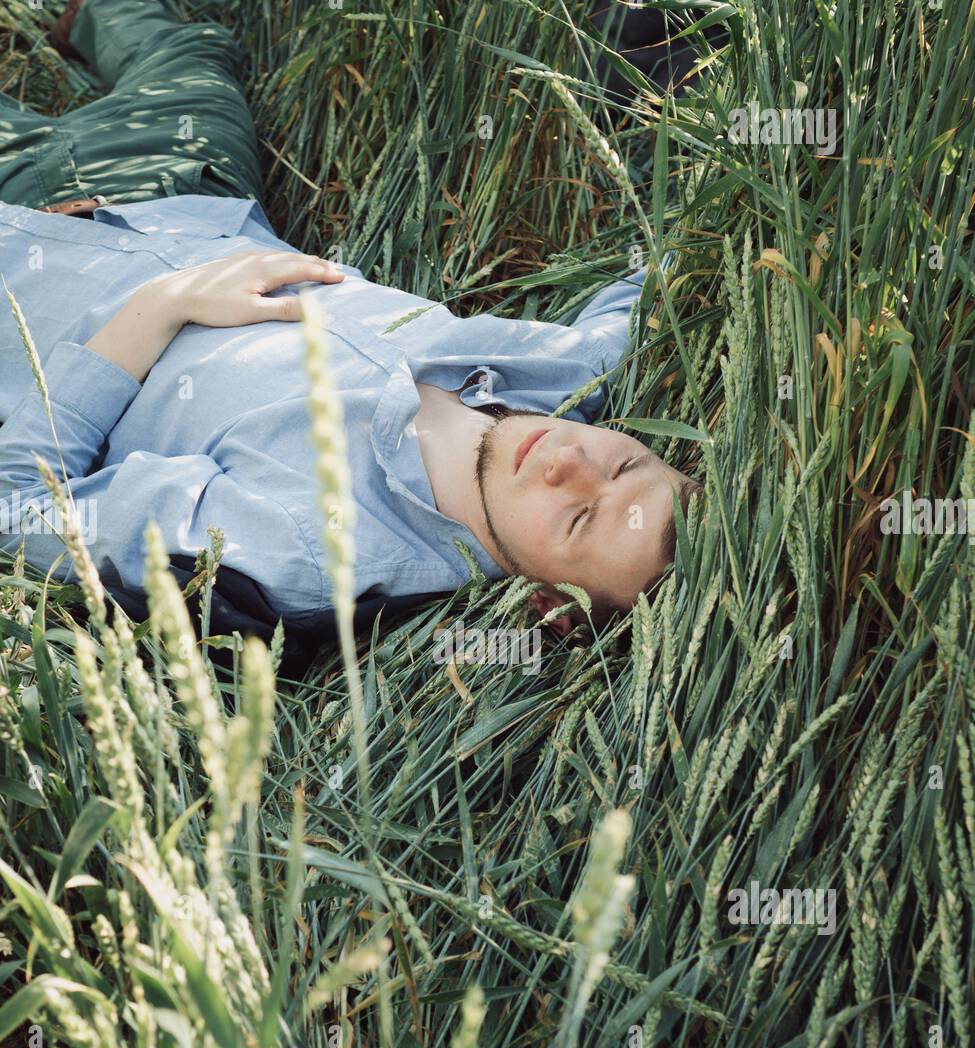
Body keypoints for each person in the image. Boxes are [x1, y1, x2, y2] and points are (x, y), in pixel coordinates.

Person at [0, 0, 700, 665]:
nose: (568, 464)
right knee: (192, 51)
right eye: (621, 466)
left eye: (575, 518)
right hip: (179, 191)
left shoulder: (303, 545)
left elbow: (18, 507)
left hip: (21, 275)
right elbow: (677, 265)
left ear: (549, 604)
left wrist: (157, 309)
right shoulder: (571, 377)